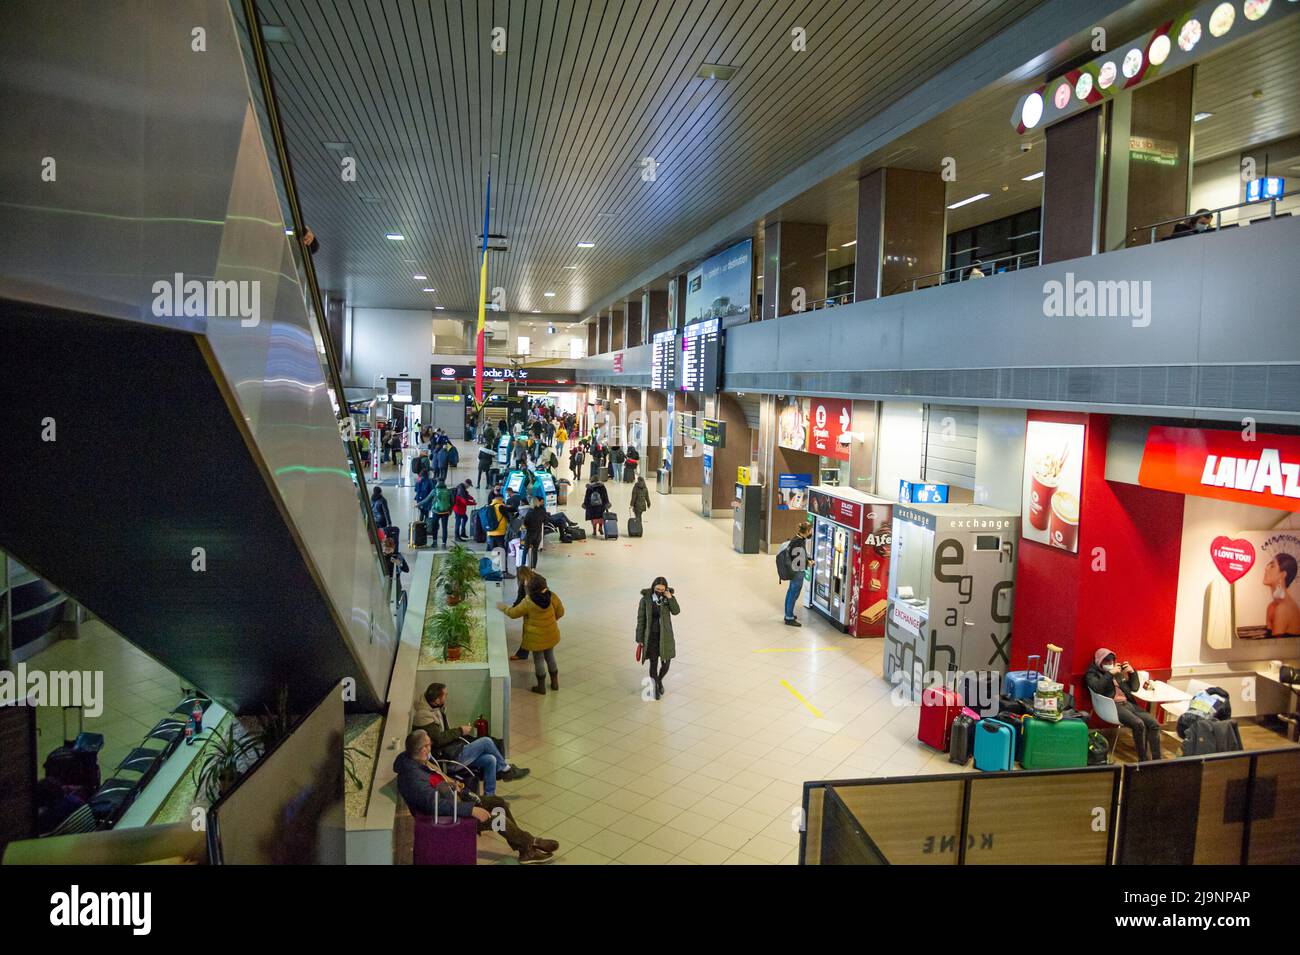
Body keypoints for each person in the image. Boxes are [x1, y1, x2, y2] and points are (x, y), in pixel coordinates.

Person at [394, 731, 556, 864]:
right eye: (428, 745)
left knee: (498, 803)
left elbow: (438, 783)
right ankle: (529, 844)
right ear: (422, 748)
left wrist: (457, 788)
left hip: (454, 800)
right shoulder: (413, 777)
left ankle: (525, 847)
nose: (431, 748)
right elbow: (435, 805)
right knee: (497, 819)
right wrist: (471, 810)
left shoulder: (418, 762)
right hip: (446, 814)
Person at [411, 684, 528, 795]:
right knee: (486, 741)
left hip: (452, 751)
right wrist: (460, 730)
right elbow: (440, 739)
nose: (447, 697)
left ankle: (489, 796)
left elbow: (444, 734)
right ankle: (505, 769)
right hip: (447, 759)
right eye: (445, 695)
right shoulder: (424, 716)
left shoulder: (436, 709)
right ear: (437, 700)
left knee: (491, 759)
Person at [1085, 648, 1162, 761]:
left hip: (1127, 703)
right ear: (1099, 661)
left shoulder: (1117, 673)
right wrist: (1110, 674)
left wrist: (1132, 673)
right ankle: (1143, 760)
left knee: (1154, 724)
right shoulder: (1092, 674)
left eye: (1112, 661)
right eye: (1106, 661)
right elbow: (1097, 688)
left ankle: (1157, 759)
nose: (1110, 664)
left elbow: (1134, 688)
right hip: (1112, 706)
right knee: (1139, 724)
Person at [498, 573, 563, 695]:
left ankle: (541, 687)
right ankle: (555, 683)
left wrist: (503, 608)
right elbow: (561, 611)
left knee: (538, 659)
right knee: (550, 656)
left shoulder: (528, 602)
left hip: (535, 638)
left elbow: (513, 613)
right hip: (550, 633)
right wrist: (552, 621)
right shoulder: (552, 596)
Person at [636, 577, 680, 700]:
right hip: (651, 637)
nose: (659, 591)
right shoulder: (645, 600)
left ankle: (659, 680)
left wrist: (670, 597)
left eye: (662, 589)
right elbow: (641, 619)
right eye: (657, 589)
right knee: (653, 663)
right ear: (653, 587)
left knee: (666, 663)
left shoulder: (668, 598)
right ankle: (655, 687)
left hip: (665, 636)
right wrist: (639, 638)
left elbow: (676, 611)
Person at [1262, 553, 1300, 637]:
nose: (1266, 568)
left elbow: (1275, 647)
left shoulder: (1282, 609)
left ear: (1282, 575)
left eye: (1272, 566)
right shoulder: (1272, 606)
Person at [783, 522, 812, 627]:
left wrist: (807, 559)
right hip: (797, 572)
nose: (811, 533)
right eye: (810, 531)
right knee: (793, 594)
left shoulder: (797, 538)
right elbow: (797, 561)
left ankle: (788, 614)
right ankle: (789, 617)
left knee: (790, 592)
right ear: (807, 531)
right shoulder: (799, 542)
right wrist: (808, 563)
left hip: (793, 571)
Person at [509, 567, 539, 659]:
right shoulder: (524, 582)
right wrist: (513, 609)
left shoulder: (537, 581)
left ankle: (524, 653)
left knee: (529, 633)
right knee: (527, 632)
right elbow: (520, 596)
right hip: (531, 610)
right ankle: (523, 653)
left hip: (537, 611)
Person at [519, 495, 547, 569]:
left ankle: (523, 567)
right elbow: (545, 521)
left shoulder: (529, 512)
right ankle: (533, 568)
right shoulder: (542, 510)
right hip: (538, 534)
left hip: (529, 535)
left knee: (525, 551)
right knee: (534, 552)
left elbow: (525, 524)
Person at [429, 479, 453, 548]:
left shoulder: (434, 491)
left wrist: (418, 504)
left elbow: (426, 499)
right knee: (444, 528)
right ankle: (443, 544)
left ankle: (435, 542)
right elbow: (452, 501)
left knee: (435, 527)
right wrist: (450, 510)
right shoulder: (448, 491)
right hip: (445, 512)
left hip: (436, 512)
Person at [413, 468, 436, 533]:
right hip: (427, 500)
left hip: (419, 500)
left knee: (421, 512)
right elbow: (432, 490)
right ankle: (426, 528)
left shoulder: (418, 480)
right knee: (427, 514)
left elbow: (415, 489)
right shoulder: (429, 481)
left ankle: (419, 527)